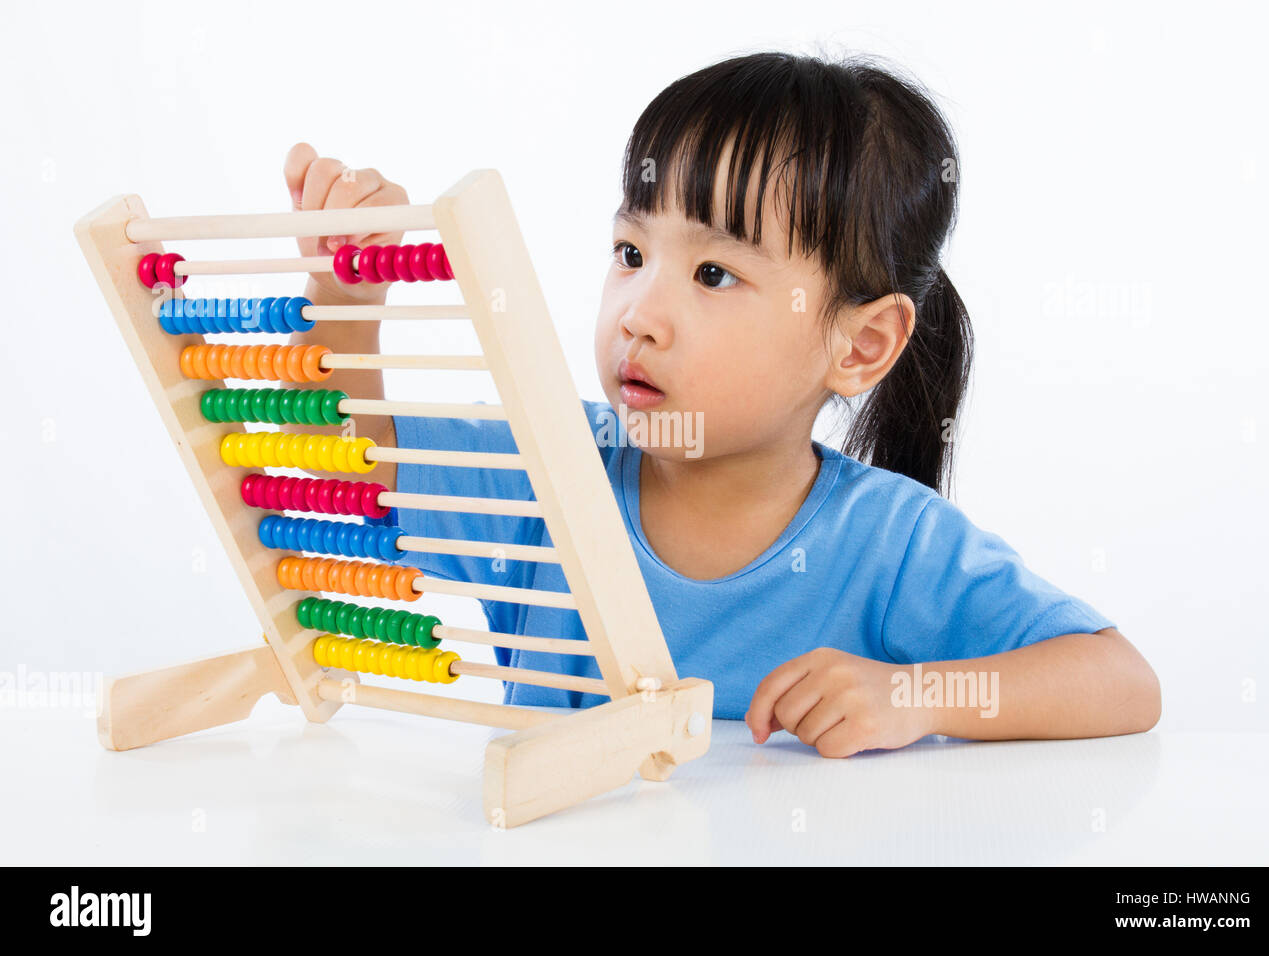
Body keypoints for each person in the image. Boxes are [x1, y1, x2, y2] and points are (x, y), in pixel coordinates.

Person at [282, 51, 1160, 757]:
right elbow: (365, 472)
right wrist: (344, 314)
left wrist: (914, 694)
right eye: (630, 252)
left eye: (713, 273)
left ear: (861, 346)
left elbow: (1119, 678)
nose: (639, 316)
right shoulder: (546, 476)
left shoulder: (887, 544)